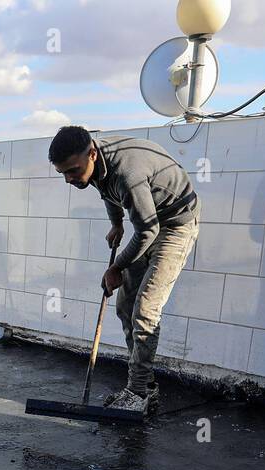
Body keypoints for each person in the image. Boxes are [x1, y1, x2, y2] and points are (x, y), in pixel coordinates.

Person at [48, 125, 200, 414]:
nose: (69, 179)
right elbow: (105, 190)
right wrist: (116, 223)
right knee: (124, 305)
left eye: (72, 170)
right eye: (63, 173)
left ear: (91, 153)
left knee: (145, 309)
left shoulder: (128, 172)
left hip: (176, 225)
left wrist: (117, 267)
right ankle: (146, 387)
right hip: (150, 222)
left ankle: (138, 391)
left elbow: (147, 231)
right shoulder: (93, 166)